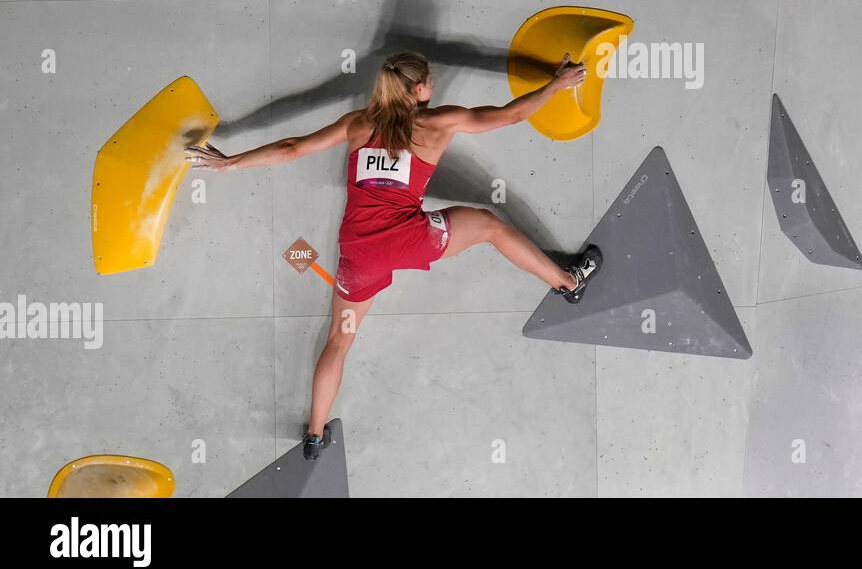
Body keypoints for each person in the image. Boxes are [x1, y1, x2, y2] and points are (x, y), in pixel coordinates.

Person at [186, 51, 601, 459]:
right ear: (420, 89)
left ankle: (314, 436)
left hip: (359, 254)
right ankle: (568, 283)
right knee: (489, 226)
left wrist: (229, 165)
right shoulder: (439, 122)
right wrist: (557, 84)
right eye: (431, 79)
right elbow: (511, 115)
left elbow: (293, 147)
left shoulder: (358, 123)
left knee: (339, 340)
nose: (434, 84)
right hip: (413, 237)